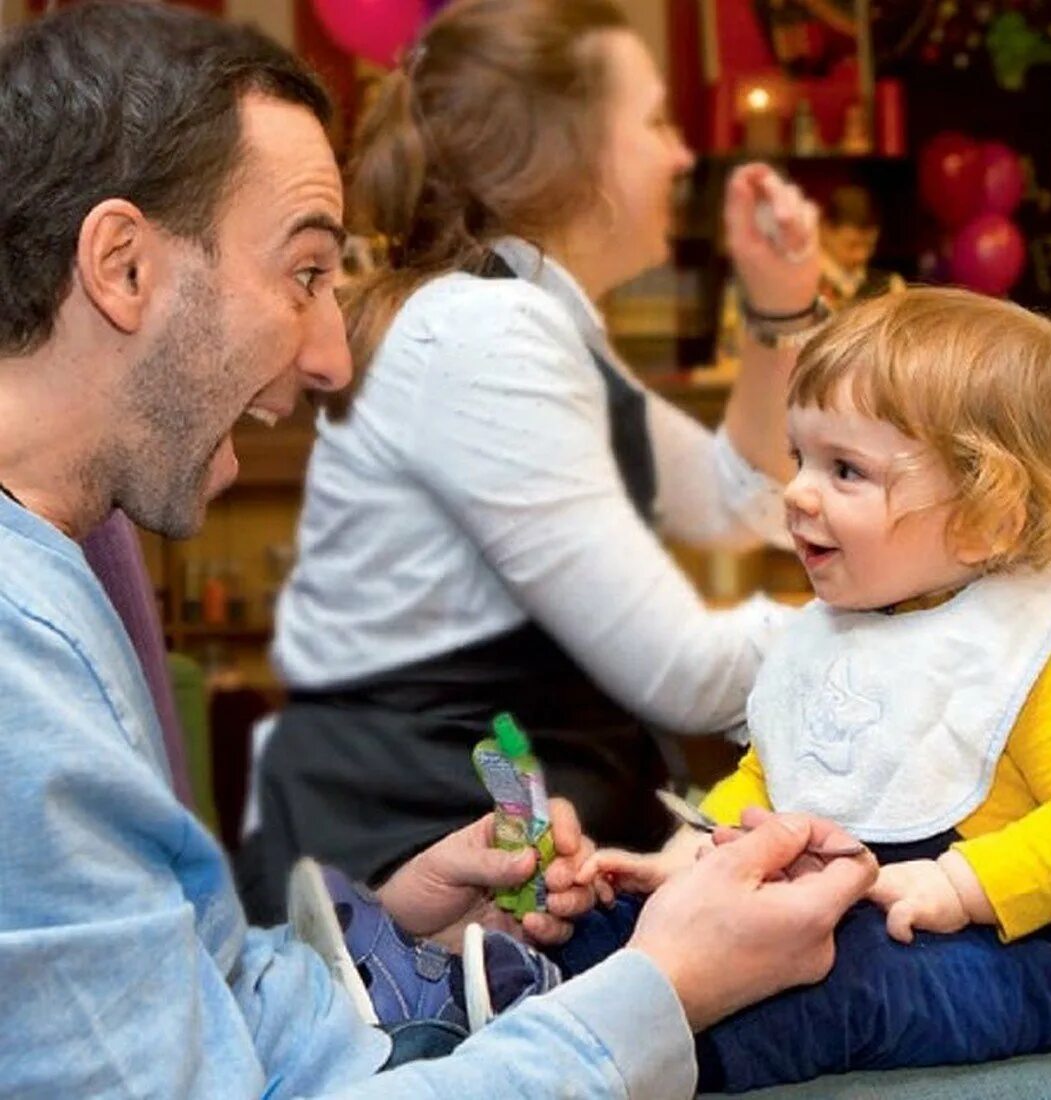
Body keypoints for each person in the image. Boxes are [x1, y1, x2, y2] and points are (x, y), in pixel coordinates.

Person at [0, 3, 877, 1096]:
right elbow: (679, 665)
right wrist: (667, 985)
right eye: (306, 273)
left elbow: (171, 988)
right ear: (121, 268)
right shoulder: (17, 656)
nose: (330, 356)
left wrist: (398, 925)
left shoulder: (53, 561)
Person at [252, 0, 831, 918]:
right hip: (421, 877)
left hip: (492, 835)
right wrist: (900, 629)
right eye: (652, 122)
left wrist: (779, 307)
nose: (682, 155)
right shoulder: (487, 331)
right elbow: (677, 672)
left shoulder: (529, 316)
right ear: (572, 154)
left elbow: (738, 499)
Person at [573, 287, 1051, 1092]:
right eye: (801, 459)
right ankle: (543, 989)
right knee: (645, 917)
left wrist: (963, 884)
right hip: (862, 901)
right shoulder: (830, 634)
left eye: (846, 469)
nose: (798, 493)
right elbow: (781, 770)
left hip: (1035, 945)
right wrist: (691, 858)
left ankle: (654, 1060)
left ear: (989, 517)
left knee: (838, 978)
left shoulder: (1044, 653)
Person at [818, 184, 905, 310]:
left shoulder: (889, 286)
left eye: (869, 245)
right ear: (825, 231)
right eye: (852, 245)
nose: (861, 255)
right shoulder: (801, 285)